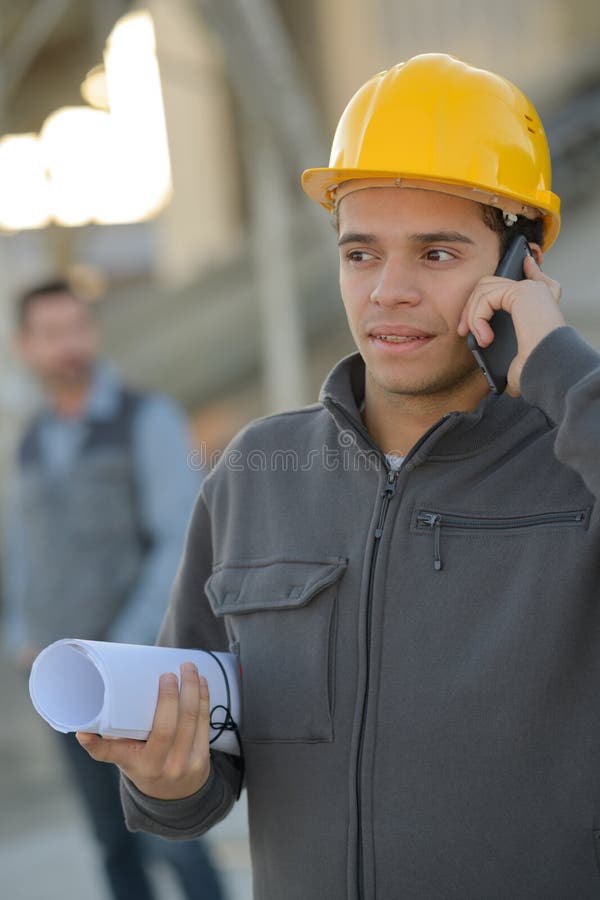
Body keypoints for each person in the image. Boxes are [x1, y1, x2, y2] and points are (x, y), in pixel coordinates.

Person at [77, 53, 600, 899]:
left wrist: (557, 363)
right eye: (361, 254)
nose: (388, 291)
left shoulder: (577, 461)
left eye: (435, 253)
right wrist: (167, 784)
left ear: (520, 265)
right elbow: (203, 772)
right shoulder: (255, 475)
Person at [1, 279, 226, 900]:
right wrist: (23, 633)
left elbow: (181, 539)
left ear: (92, 333)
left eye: (76, 328)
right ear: (27, 346)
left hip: (133, 675)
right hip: (61, 680)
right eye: (51, 333)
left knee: (171, 837)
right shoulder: (30, 441)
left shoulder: (145, 420)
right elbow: (26, 546)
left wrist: (122, 654)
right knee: (110, 842)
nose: (68, 345)